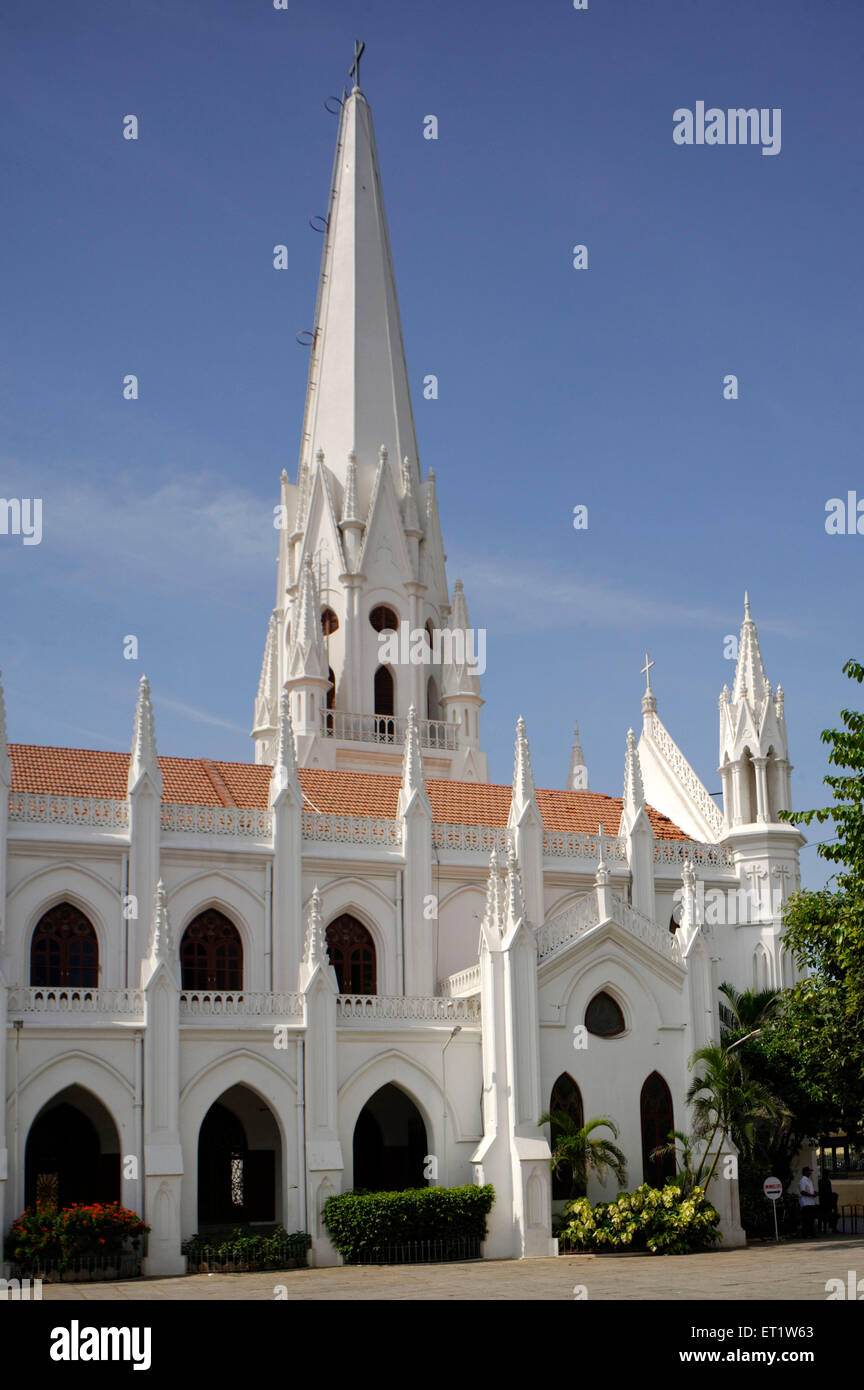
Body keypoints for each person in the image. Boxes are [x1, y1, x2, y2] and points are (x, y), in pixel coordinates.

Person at [799, 1166, 817, 1237]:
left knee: (811, 1219)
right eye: (809, 1171)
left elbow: (810, 1191)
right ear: (805, 1172)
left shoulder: (809, 1180)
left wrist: (815, 1193)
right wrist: (812, 1195)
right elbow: (802, 1192)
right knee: (806, 1220)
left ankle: (811, 1233)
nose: (810, 1172)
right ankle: (805, 1234)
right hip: (805, 1203)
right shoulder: (803, 1181)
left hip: (811, 1202)